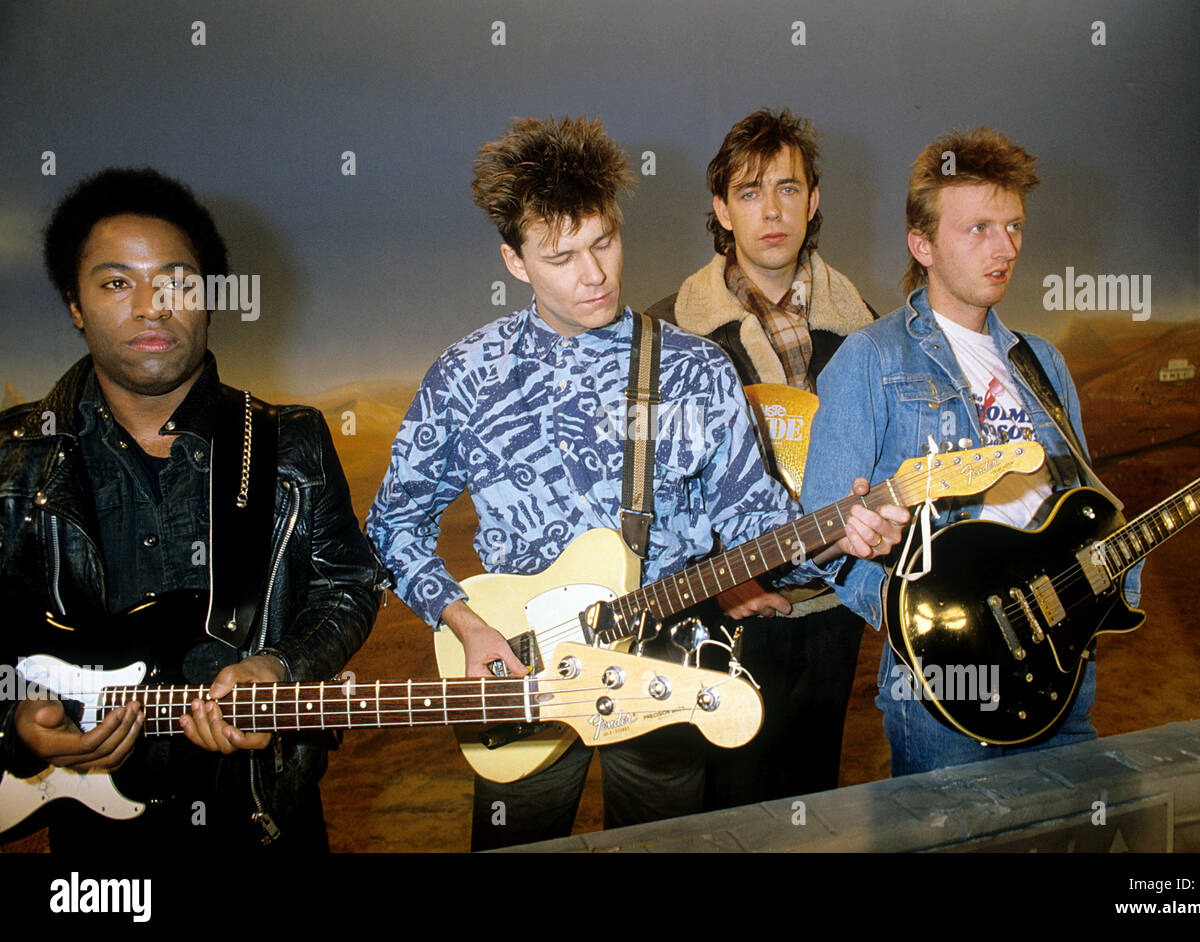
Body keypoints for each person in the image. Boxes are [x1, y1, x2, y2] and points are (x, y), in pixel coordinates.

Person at [366, 115, 904, 849]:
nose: (593, 275)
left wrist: (844, 535)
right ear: (515, 262)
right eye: (561, 257)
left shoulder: (692, 369)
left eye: (604, 243)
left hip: (664, 676)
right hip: (520, 675)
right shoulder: (466, 375)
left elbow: (758, 525)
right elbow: (392, 525)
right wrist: (465, 623)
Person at [0, 168, 385, 850]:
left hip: (263, 814)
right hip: (90, 836)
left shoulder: (287, 441)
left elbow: (346, 585)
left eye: (177, 281)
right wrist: (16, 720)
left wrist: (280, 668)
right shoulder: (12, 457)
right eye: (117, 283)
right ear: (75, 304)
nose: (152, 307)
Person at [801, 127, 1141, 776]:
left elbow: (1087, 511)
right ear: (921, 243)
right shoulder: (871, 358)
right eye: (979, 228)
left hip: (1063, 673)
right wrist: (926, 628)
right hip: (946, 696)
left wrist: (1099, 585)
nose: (1004, 247)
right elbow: (824, 534)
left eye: (1013, 227)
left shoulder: (1042, 363)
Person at [645, 108, 879, 807]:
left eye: (787, 188)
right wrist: (717, 577)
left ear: (813, 202)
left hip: (833, 608)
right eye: (749, 192)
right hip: (718, 618)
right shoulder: (666, 330)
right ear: (721, 208)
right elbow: (649, 494)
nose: (771, 210)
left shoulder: (867, 324)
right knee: (725, 816)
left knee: (816, 802)